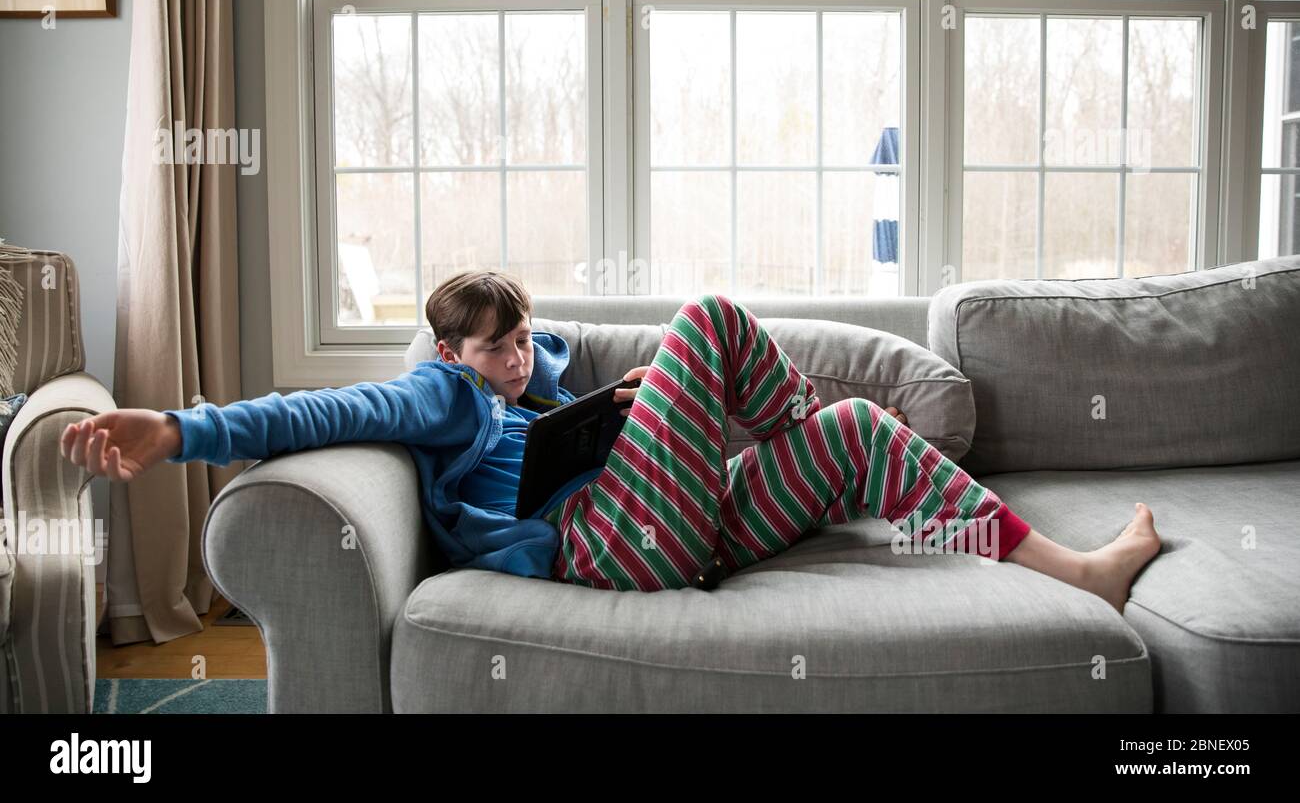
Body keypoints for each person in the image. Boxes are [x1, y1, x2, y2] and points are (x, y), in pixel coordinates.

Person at [61, 270, 1160, 612]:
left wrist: (632, 404)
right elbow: (316, 413)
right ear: (449, 353)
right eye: (496, 348)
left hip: (677, 527)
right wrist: (177, 427)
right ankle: (786, 430)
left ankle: (1077, 572)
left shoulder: (533, 394)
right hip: (611, 545)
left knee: (861, 427)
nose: (517, 359)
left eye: (524, 340)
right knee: (710, 319)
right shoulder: (439, 397)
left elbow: (552, 399)